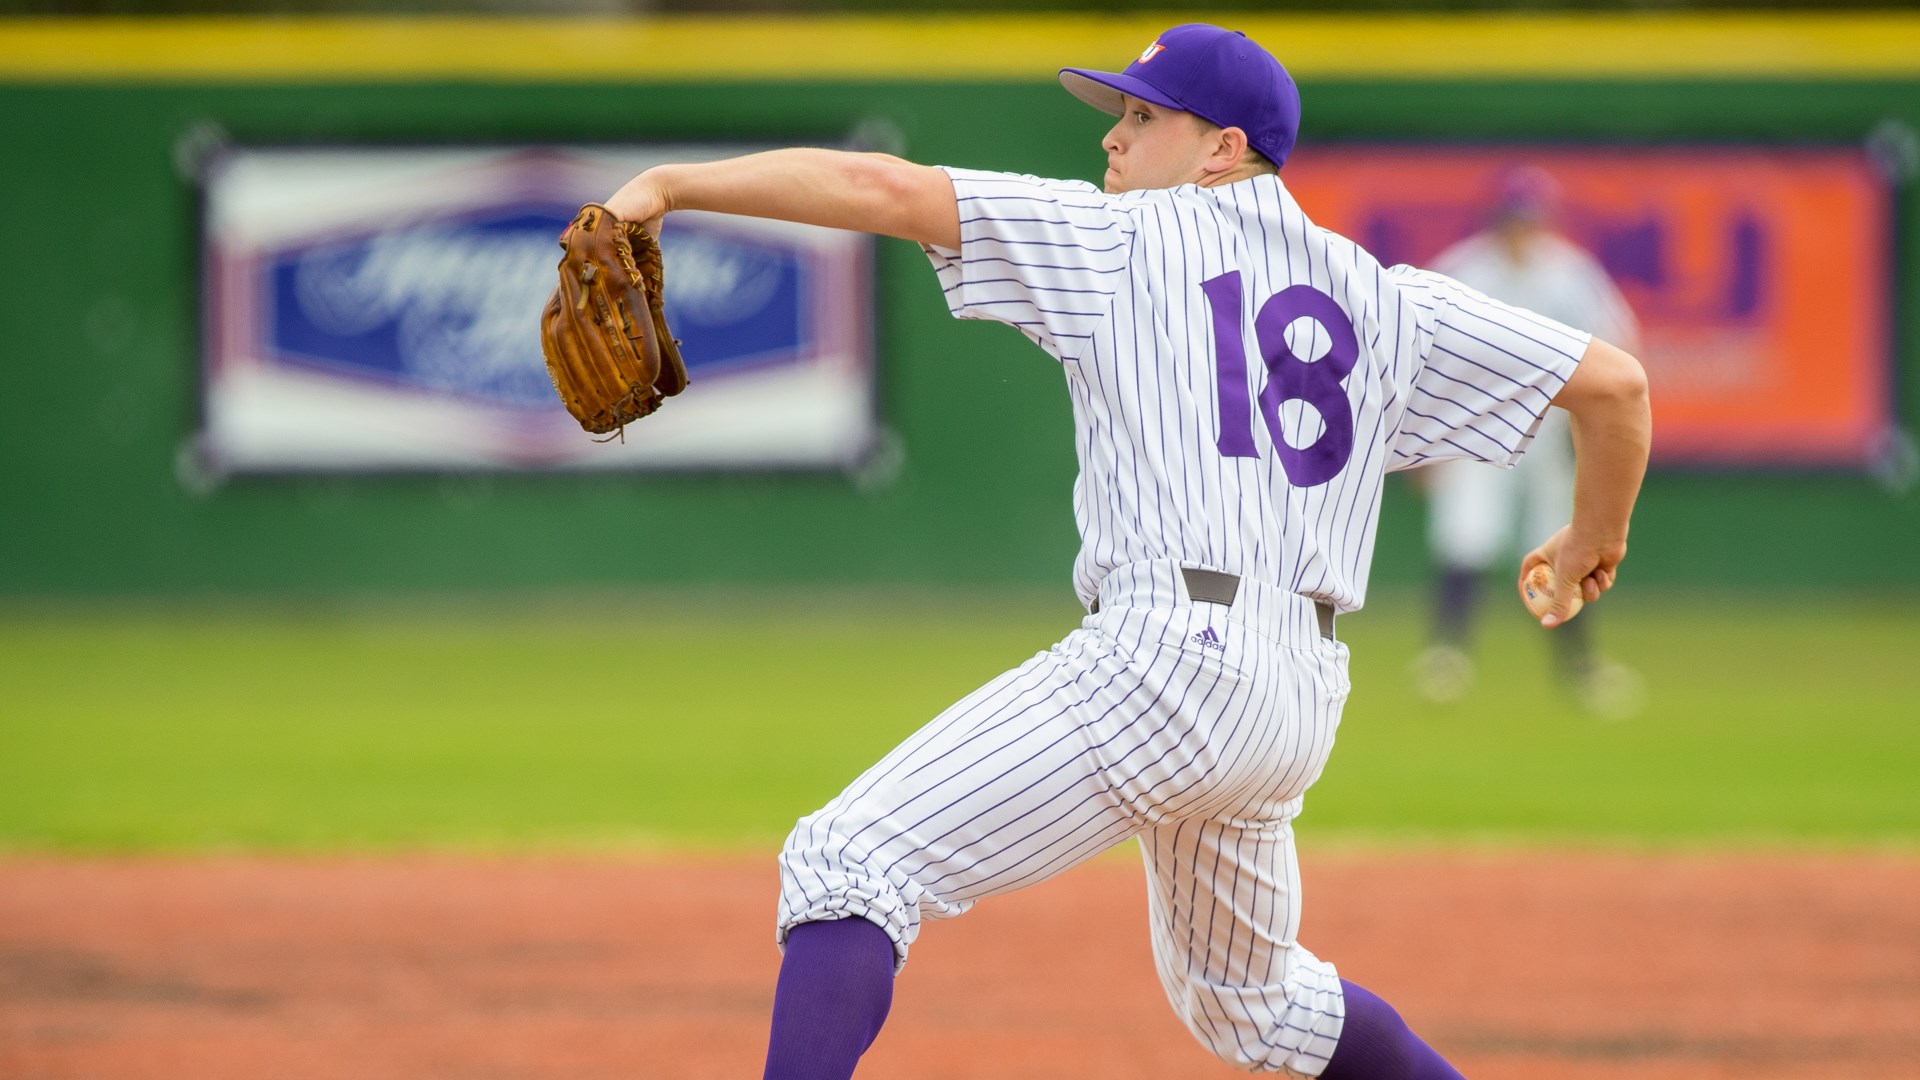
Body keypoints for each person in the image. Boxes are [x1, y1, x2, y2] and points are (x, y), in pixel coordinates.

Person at [604, 23, 1649, 1080]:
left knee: (848, 860)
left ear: (1221, 149)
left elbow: (881, 187)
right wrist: (1587, 543)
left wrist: (672, 184)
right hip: (1295, 696)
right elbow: (1615, 386)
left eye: (1143, 117)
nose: (1113, 141)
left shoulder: (1124, 242)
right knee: (1261, 1008)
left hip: (1166, 661)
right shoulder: (1387, 299)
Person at [1409, 166, 1646, 718]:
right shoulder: (1464, 269)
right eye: (1513, 219)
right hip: (1474, 429)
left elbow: (1620, 351)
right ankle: (1447, 655)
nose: (1521, 230)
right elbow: (1417, 352)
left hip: (1547, 436)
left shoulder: (1569, 274)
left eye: (1529, 219)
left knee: (1559, 545)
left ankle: (1578, 664)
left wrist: (1595, 441)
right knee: (1466, 536)